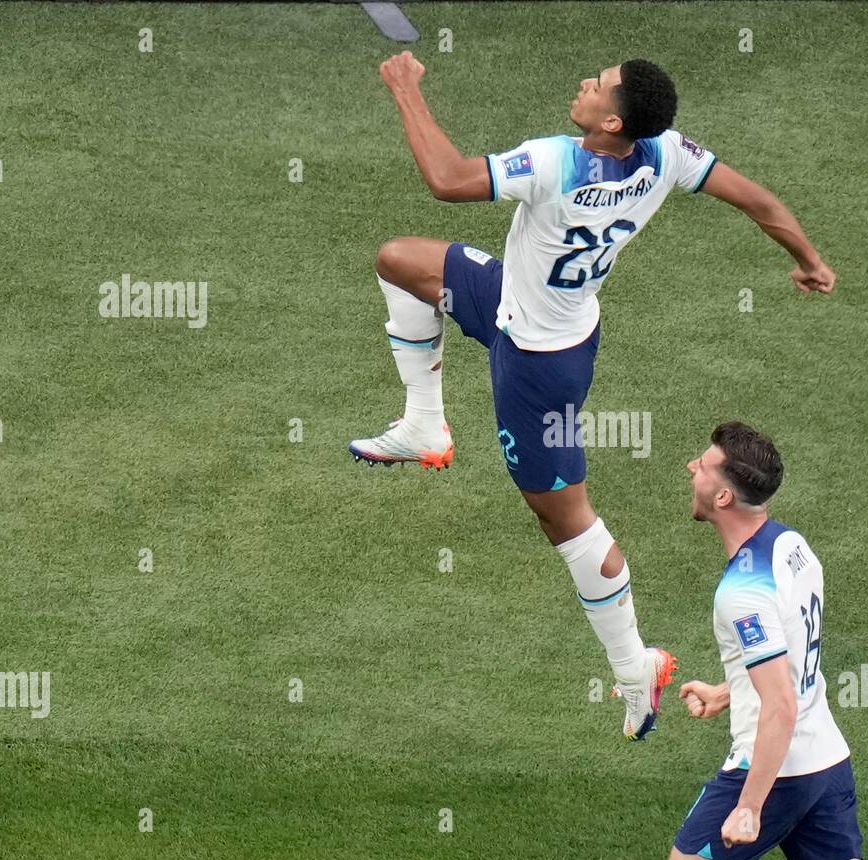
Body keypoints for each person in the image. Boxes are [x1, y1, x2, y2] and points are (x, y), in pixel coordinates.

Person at [351, 52, 836, 740]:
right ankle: (425, 426)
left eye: (599, 84)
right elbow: (756, 199)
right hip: (543, 314)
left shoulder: (555, 162)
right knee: (400, 262)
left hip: (537, 368)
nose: (585, 79)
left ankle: (635, 667)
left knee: (568, 524)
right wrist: (809, 260)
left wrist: (404, 90)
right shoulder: (666, 152)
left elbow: (446, 179)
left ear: (613, 120)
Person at [669, 422, 863, 860]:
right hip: (826, 760)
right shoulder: (792, 545)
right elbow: (792, 650)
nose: (691, 467)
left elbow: (780, 705)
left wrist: (750, 807)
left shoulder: (742, 593)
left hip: (776, 770)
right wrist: (730, 690)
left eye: (702, 465)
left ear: (723, 498)